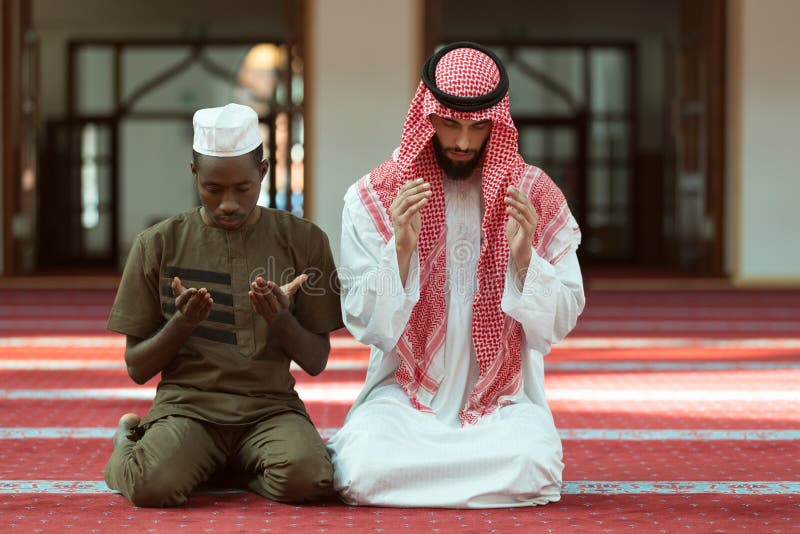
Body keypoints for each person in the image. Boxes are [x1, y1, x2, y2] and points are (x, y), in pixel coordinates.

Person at [326, 42, 585, 508]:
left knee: (534, 462)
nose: (463, 142)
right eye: (450, 124)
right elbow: (368, 325)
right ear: (427, 118)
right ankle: (468, 481)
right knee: (362, 466)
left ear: (496, 124)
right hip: (404, 398)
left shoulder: (534, 196)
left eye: (478, 126)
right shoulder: (376, 197)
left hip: (501, 404)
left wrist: (524, 258)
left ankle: (428, 480)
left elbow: (560, 321)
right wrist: (401, 249)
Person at [104, 103, 343, 507]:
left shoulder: (304, 241)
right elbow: (137, 368)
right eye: (213, 189)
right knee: (151, 486)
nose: (228, 204)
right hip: (188, 409)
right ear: (195, 173)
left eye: (243, 188)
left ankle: (220, 465)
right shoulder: (157, 244)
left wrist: (280, 318)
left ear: (263, 172)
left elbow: (317, 361)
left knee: (311, 480)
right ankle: (130, 438)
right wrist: (182, 323)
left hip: (270, 409)